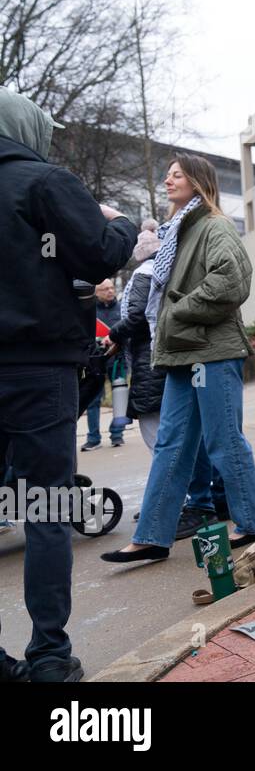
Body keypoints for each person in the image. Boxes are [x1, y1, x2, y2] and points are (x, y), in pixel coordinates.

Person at [0, 87, 136, 682]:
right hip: (37, 368)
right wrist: (124, 223)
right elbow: (98, 254)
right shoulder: (42, 181)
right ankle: (49, 655)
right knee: (45, 508)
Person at [101, 155, 255, 564]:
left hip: (210, 354)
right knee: (171, 445)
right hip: (182, 354)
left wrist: (175, 312)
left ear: (198, 181)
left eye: (176, 175)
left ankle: (253, 522)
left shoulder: (212, 226)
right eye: (166, 174)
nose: (167, 180)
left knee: (222, 440)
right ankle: (153, 536)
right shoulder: (178, 232)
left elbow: (232, 281)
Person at [82, 279, 126, 450]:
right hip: (96, 362)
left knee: (119, 399)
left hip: (118, 360)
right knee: (93, 400)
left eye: (111, 288)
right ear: (96, 292)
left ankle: (117, 434)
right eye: (105, 289)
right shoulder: (89, 311)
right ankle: (93, 438)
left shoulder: (122, 308)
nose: (110, 291)